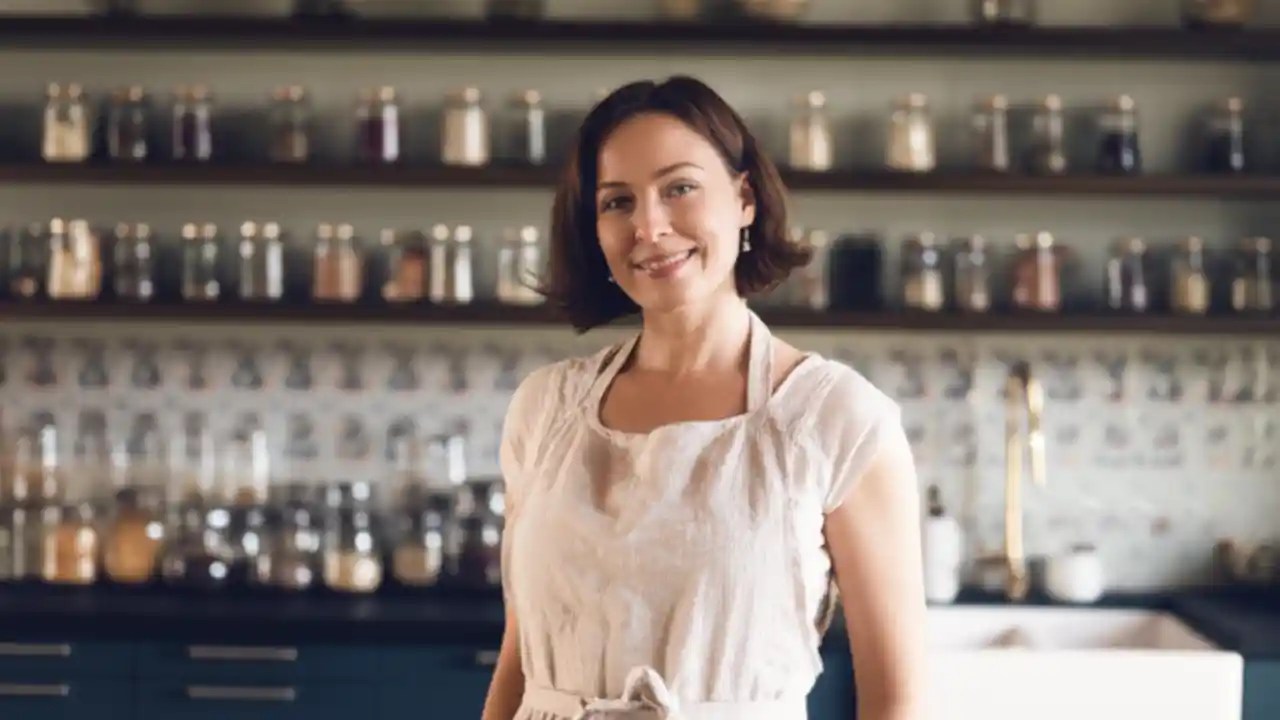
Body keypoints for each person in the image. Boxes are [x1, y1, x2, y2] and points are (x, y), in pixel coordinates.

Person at [481, 75, 926, 720]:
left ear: (744, 198)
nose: (650, 226)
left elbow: (897, 696)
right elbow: (520, 659)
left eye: (679, 188)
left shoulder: (835, 421)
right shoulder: (544, 410)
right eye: (617, 202)